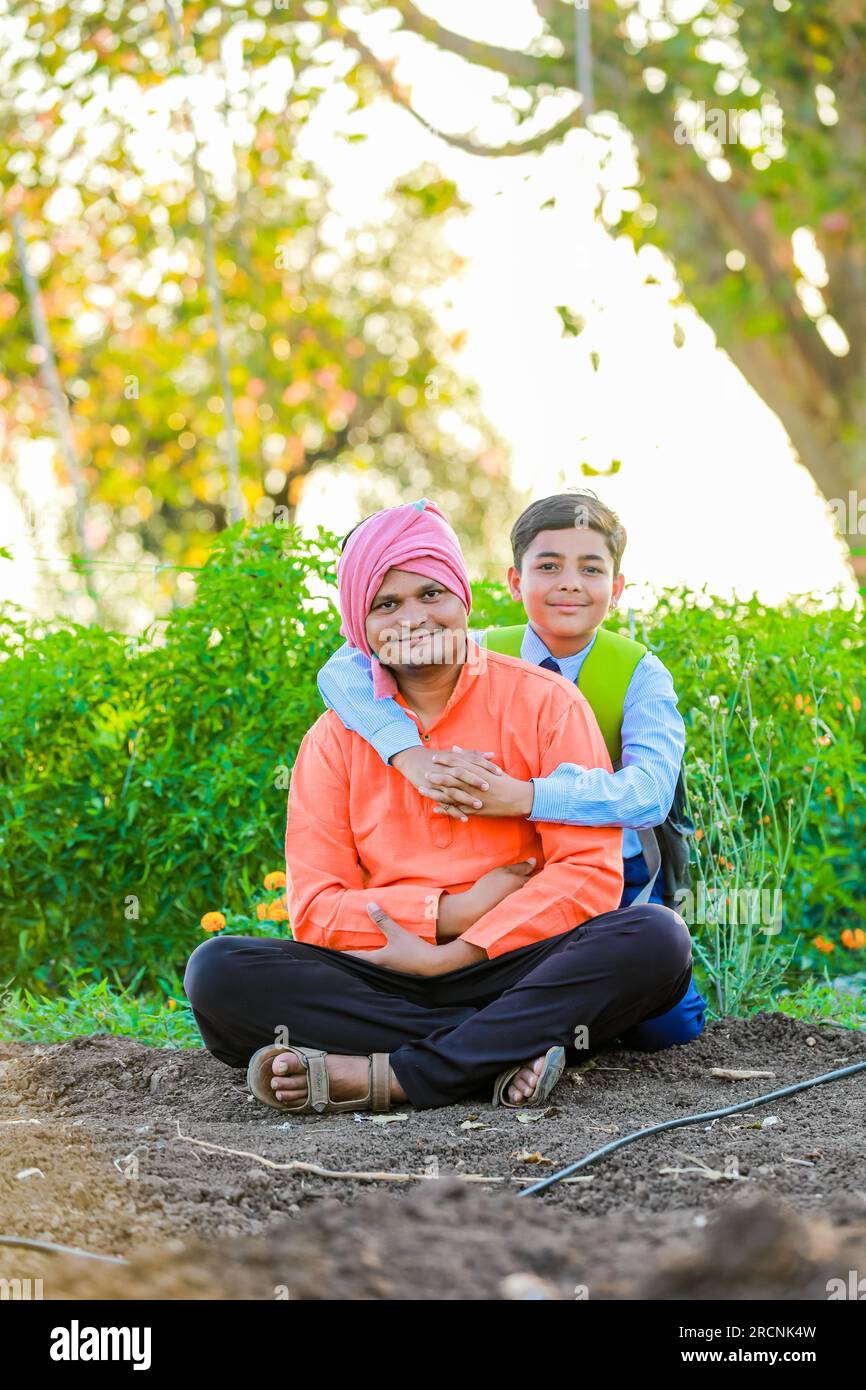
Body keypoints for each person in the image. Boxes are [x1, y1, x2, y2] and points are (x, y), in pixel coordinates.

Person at [184, 498, 695, 1114]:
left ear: (463, 598)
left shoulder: (546, 703)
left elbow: (585, 875)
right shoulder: (336, 738)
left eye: (431, 594)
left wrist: (460, 952)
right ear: (358, 623)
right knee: (219, 974)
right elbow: (316, 908)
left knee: (655, 939)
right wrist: (445, 915)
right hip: (385, 967)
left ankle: (397, 1075)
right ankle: (510, 1045)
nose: (414, 619)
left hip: (517, 959)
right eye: (385, 604)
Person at [316, 491, 707, 1050]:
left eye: (590, 568)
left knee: (664, 1022)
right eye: (548, 566)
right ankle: (521, 1032)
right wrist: (408, 754)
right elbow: (343, 667)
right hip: (499, 877)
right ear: (513, 582)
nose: (569, 582)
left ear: (617, 589)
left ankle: (510, 1026)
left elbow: (647, 796)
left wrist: (525, 797)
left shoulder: (640, 674)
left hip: (607, 884)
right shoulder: (470, 648)